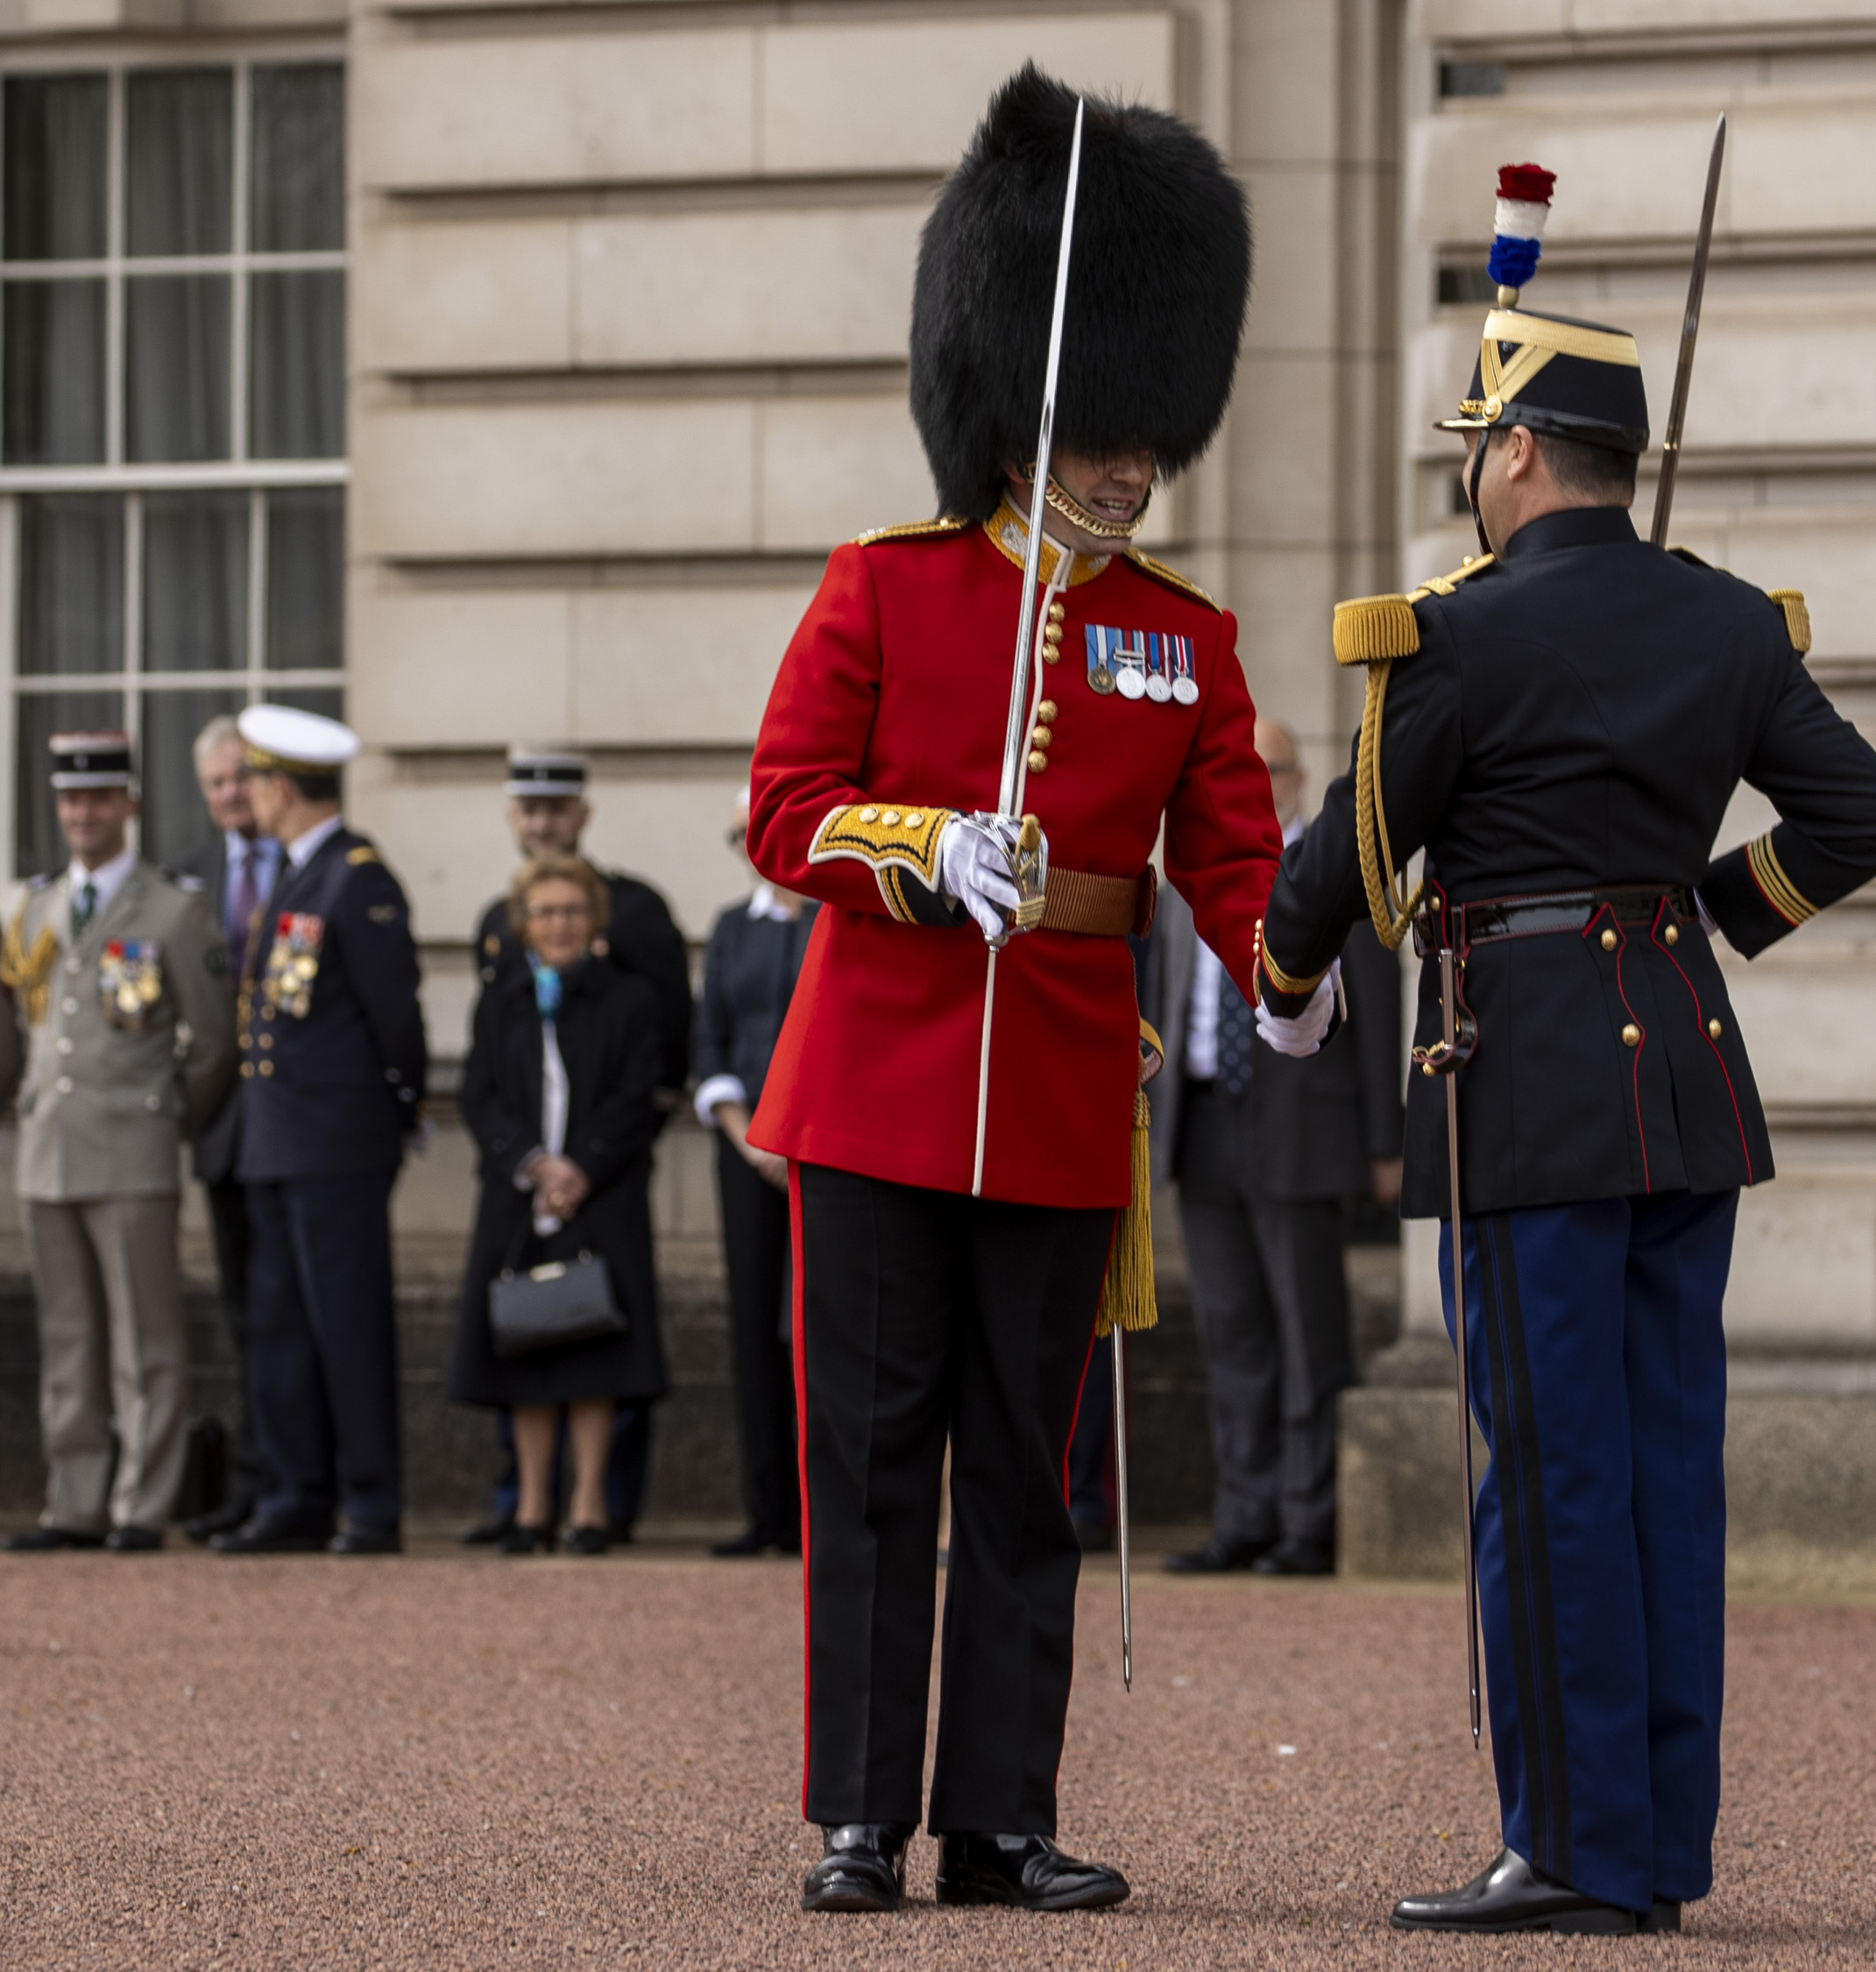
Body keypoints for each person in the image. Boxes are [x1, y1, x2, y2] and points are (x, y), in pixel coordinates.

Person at [1256, 222, 1876, 1933]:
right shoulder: (1723, 625)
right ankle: (1656, 1849)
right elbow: (1864, 820)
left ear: (1523, 451)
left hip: (1526, 1078)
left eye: (1475, 450)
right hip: (1684, 1066)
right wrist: (1702, 910)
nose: (1469, 480)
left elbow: (1357, 844)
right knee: (1660, 1472)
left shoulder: (1460, 638)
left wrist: (1282, 967)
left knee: (1549, 1479)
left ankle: (1567, 1850)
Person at [744, 66, 1278, 1917]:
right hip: (876, 1086)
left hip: (1057, 1099)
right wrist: (917, 844)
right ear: (1019, 413)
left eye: (1150, 437)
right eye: (1106, 432)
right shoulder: (884, 591)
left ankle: (998, 1818)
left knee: (1028, 1482)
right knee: (872, 1463)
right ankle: (855, 1815)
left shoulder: (1184, 638)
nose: (1135, 466)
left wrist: (1296, 973)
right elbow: (780, 815)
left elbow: (1236, 854)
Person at [1150, 717, 1403, 1578]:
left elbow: (1374, 1018)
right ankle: (1243, 1515)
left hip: (1300, 1128)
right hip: (1204, 1121)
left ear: (1298, 780)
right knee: (1232, 1334)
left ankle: (1308, 1518)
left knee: (1308, 1332)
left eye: (1272, 773)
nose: (1256, 789)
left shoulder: (1333, 870)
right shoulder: (1188, 876)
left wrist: (1384, 1142)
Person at [0, 732, 236, 1553]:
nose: (83, 813)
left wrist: (166, 1115)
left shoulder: (173, 907)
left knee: (146, 1338)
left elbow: (211, 1043)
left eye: (100, 797)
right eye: (71, 799)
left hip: (133, 1145)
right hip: (48, 1145)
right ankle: (75, 1499)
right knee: (67, 1338)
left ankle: (141, 1501)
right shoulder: (29, 907)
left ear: (129, 804)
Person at [211, 706, 428, 1557]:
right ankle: (295, 1493)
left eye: (255, 781)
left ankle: (370, 1501)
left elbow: (394, 1024)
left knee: (347, 1325)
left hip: (338, 1142)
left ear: (279, 786)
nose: (248, 798)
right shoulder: (301, 875)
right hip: (275, 1139)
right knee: (281, 1329)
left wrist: (396, 1115)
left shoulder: (356, 877)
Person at [462, 747, 691, 1546]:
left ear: (582, 814)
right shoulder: (498, 951)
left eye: (557, 808)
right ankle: (520, 1502)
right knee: (524, 1338)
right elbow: (480, 1089)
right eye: (529, 808)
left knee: (600, 1342)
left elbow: (659, 1067)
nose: (543, 821)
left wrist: (586, 1167)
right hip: (523, 1187)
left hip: (605, 1180)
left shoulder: (637, 919)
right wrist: (533, 1165)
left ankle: (601, 1505)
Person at [689, 795, 814, 1557]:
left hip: (820, 1150)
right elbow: (712, 1041)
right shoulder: (734, 929)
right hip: (747, 1151)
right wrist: (745, 1134)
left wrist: (796, 1138)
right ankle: (765, 1509)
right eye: (748, 837)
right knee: (750, 1327)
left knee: (812, 1329)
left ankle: (814, 1510)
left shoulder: (833, 917)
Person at [171, 713, 286, 1540]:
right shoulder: (185, 881)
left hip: (296, 1126)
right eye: (216, 782)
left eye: (243, 777)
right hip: (220, 1127)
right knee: (245, 1315)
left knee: (295, 1312)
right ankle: (248, 1484)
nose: (231, 794)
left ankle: (294, 1483)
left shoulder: (312, 863)